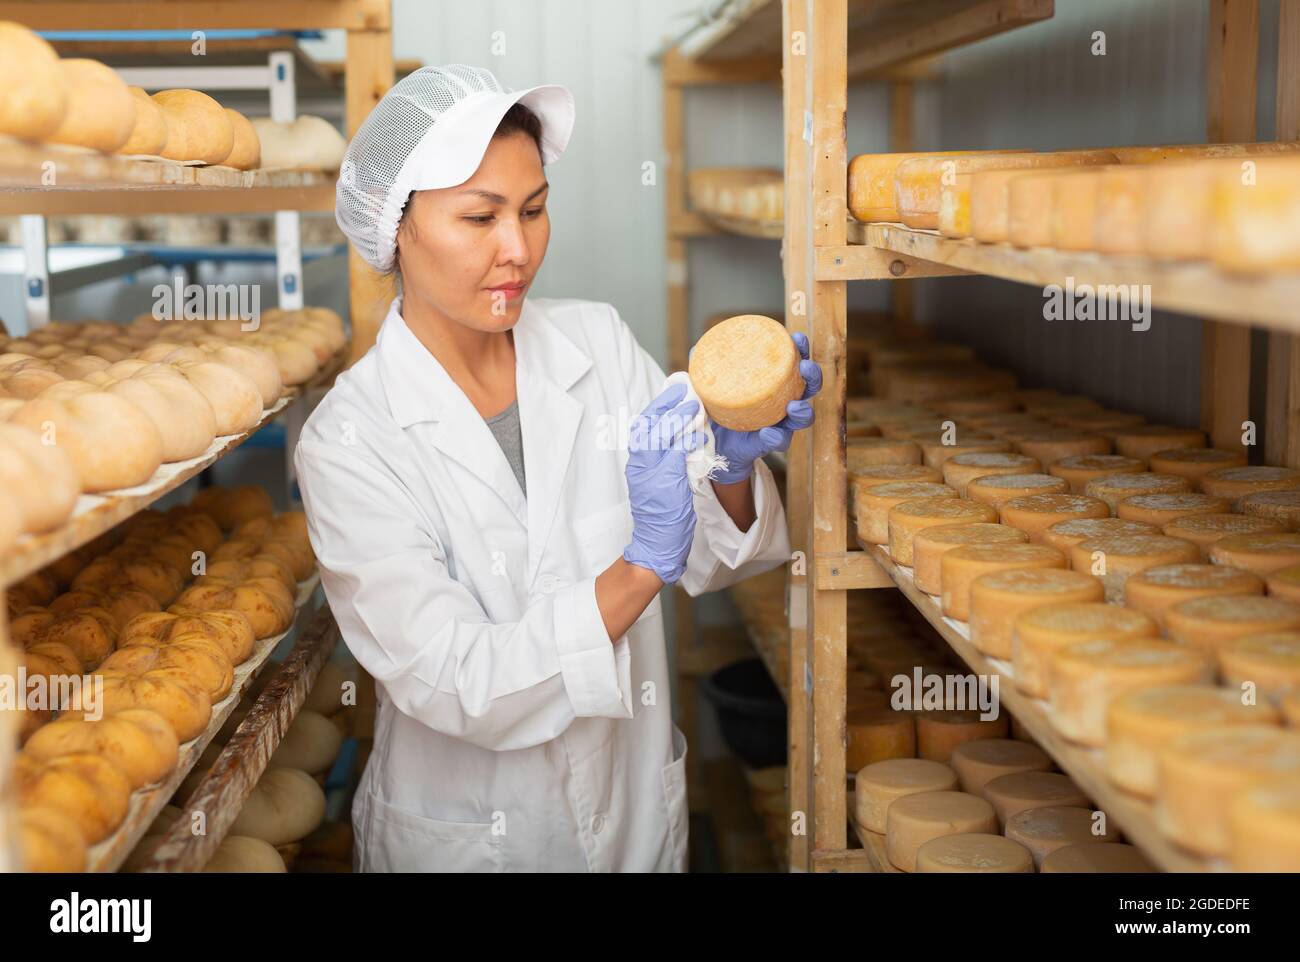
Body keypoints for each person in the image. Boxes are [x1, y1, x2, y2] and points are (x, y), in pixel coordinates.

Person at [294, 65, 820, 872]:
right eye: (481, 217)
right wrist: (640, 566)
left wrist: (729, 471)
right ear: (395, 227)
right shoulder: (351, 440)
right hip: (466, 835)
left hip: (629, 805)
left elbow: (713, 556)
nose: (518, 250)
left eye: (534, 210)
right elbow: (457, 679)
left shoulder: (598, 344)